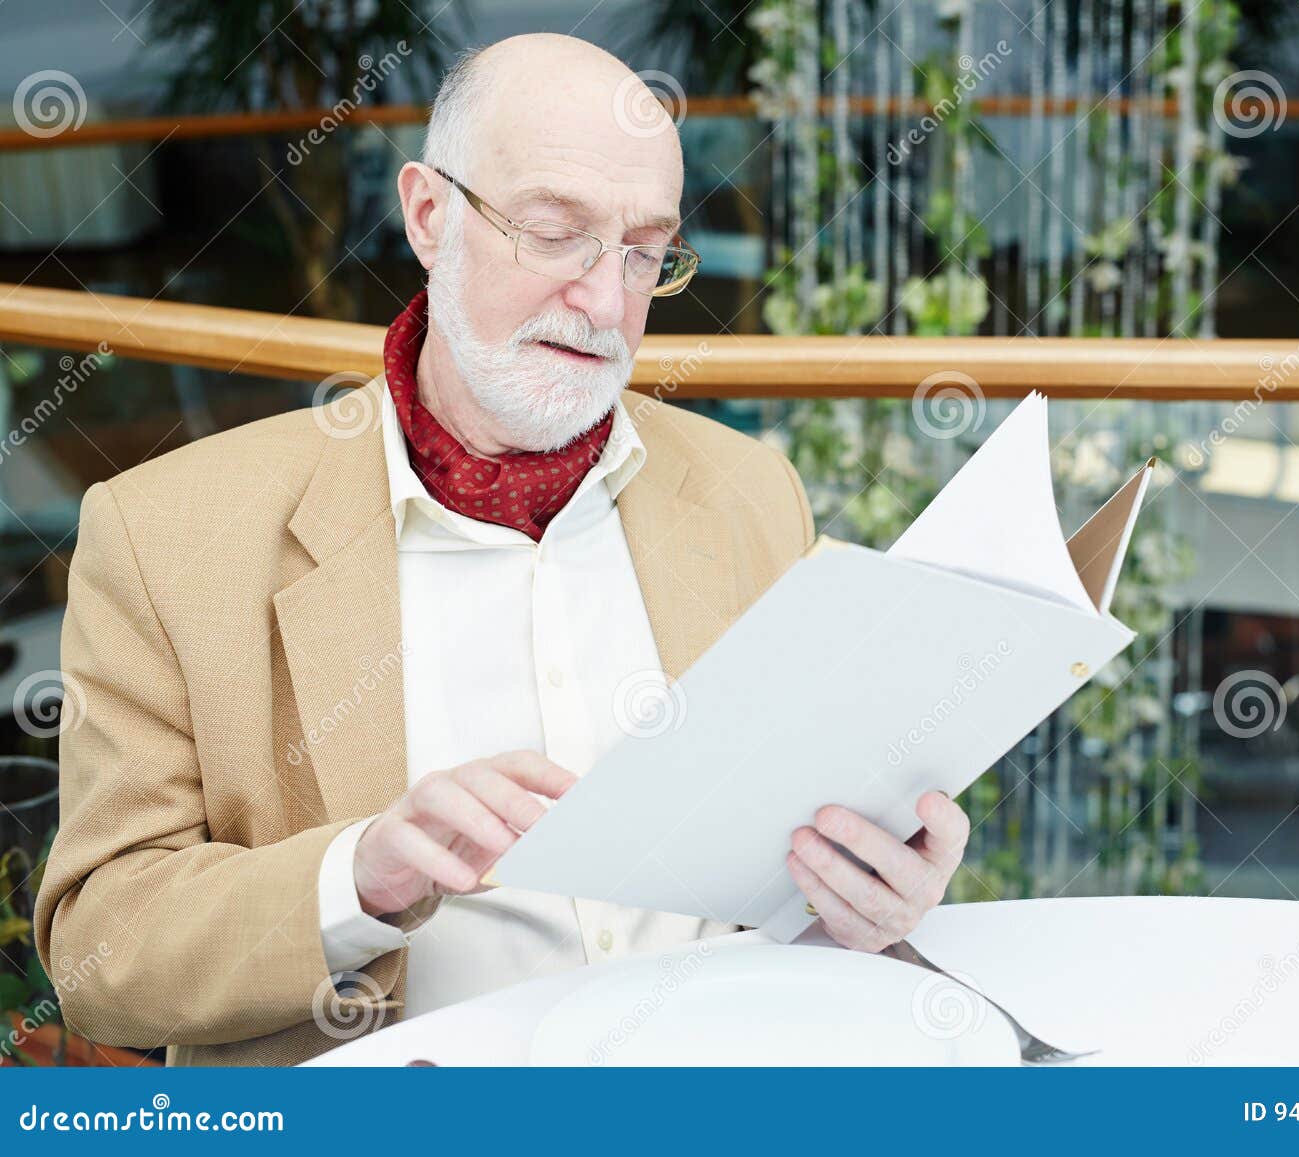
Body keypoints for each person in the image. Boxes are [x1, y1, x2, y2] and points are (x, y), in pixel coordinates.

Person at [35, 33, 970, 1067]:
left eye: (644, 251)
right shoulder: (169, 536)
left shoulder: (753, 495)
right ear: (430, 215)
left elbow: (803, 855)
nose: (605, 302)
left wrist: (876, 885)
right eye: (554, 232)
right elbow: (95, 957)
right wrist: (359, 876)